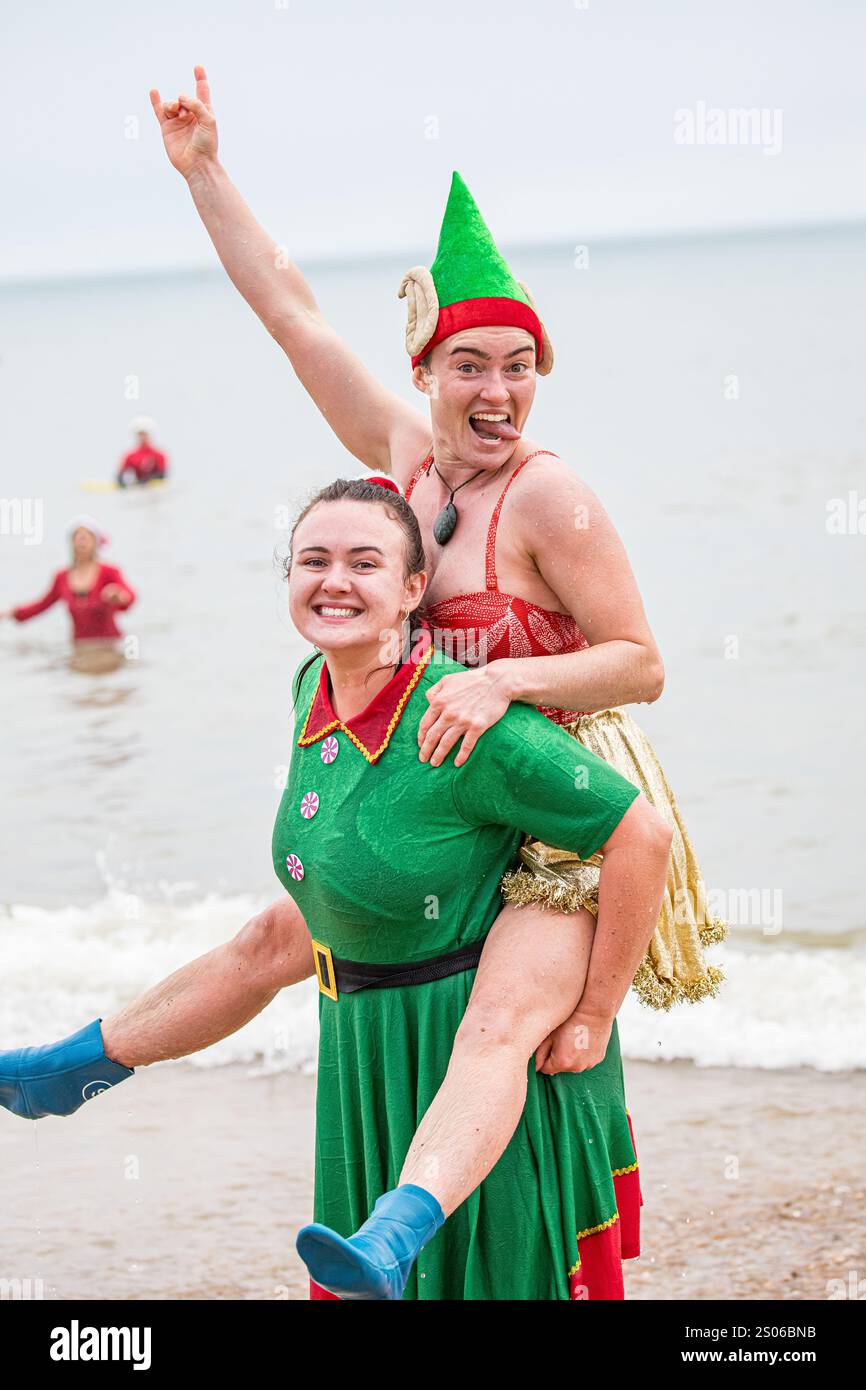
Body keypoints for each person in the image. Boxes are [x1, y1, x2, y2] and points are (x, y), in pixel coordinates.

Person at [0, 479, 673, 1300]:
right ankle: (70, 1068)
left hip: (468, 1041)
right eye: (313, 560)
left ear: (413, 590)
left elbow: (643, 834)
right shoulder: (308, 688)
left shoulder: (473, 722)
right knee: (263, 940)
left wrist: (597, 1012)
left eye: (365, 563)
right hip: (361, 1035)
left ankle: (398, 1231)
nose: (335, 581)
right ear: (288, 577)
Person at [148, 67, 724, 1021]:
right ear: (422, 371)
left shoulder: (549, 497)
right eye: (469, 366)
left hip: (555, 815)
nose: (497, 392)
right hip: (443, 803)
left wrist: (503, 681)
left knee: (509, 1039)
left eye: (519, 367)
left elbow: (641, 665)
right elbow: (293, 318)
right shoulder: (404, 457)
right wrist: (204, 171)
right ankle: (74, 1065)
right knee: (285, 947)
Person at [1, 516, 135, 665]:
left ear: (95, 543)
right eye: (77, 537)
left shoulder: (109, 572)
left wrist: (119, 596)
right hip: (79, 648)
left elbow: (129, 597)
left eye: (86, 538)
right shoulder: (62, 577)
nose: (81, 542)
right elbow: (42, 605)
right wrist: (12, 612)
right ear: (71, 542)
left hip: (109, 645)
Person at [117, 416, 168, 487]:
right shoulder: (130, 455)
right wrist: (125, 482)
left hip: (154, 492)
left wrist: (147, 481)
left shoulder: (159, 454)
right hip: (137, 490)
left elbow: (162, 475)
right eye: (140, 434)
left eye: (144, 434)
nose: (142, 437)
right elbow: (120, 475)